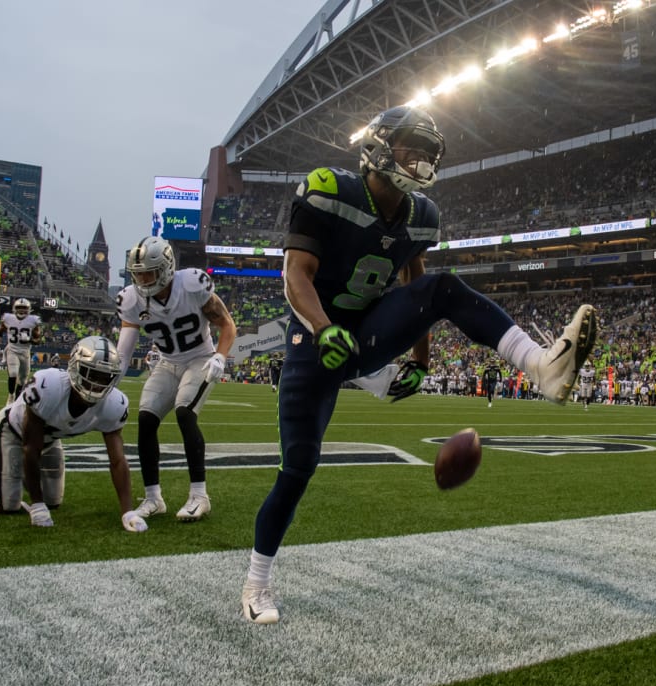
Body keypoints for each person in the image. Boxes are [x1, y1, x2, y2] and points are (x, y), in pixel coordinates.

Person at [240, 106, 598, 624]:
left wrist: (420, 361)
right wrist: (322, 329)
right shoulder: (328, 189)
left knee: (445, 288)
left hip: (366, 332)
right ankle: (256, 585)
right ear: (380, 145)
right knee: (298, 467)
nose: (422, 159)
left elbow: (416, 280)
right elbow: (296, 275)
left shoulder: (421, 215)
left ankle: (541, 366)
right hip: (313, 336)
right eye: (413, 147)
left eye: (429, 153)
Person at [0, 336, 146, 532]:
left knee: (54, 502)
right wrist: (37, 504)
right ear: (75, 368)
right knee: (6, 506)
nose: (96, 384)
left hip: (50, 439)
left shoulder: (114, 404)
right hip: (14, 432)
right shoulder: (49, 386)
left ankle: (16, 481)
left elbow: (118, 461)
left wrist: (127, 512)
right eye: (91, 374)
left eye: (104, 377)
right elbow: (30, 449)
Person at [115, 236, 237, 523]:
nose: (143, 279)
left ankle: (199, 495)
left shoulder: (193, 284)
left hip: (200, 358)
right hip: (168, 362)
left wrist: (219, 356)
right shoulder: (131, 300)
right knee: (145, 420)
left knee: (185, 412)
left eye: (149, 272)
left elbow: (226, 324)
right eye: (139, 273)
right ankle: (153, 498)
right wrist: (112, 384)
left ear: (167, 267)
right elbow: (123, 352)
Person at [0, 298, 44, 401]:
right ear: (14, 308)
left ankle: (17, 401)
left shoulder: (33, 321)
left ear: (29, 309)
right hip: (12, 350)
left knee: (22, 380)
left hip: (25, 352)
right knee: (13, 373)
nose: (22, 310)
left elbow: (38, 340)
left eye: (24, 308)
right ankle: (11, 396)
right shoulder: (8, 318)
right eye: (19, 307)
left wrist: (30, 340)